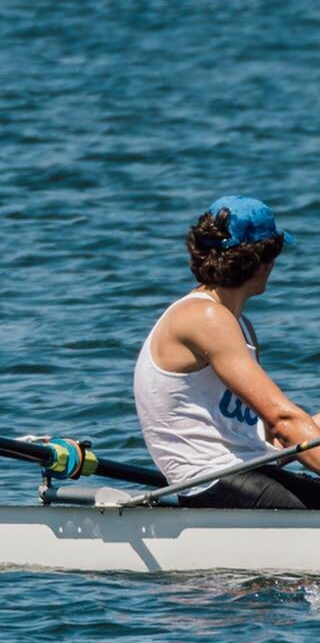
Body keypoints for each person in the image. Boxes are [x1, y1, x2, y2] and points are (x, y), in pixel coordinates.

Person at [133, 196, 320, 508]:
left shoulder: (239, 325)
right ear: (265, 260)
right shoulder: (204, 319)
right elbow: (283, 420)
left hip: (245, 471)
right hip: (210, 480)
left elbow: (268, 437)